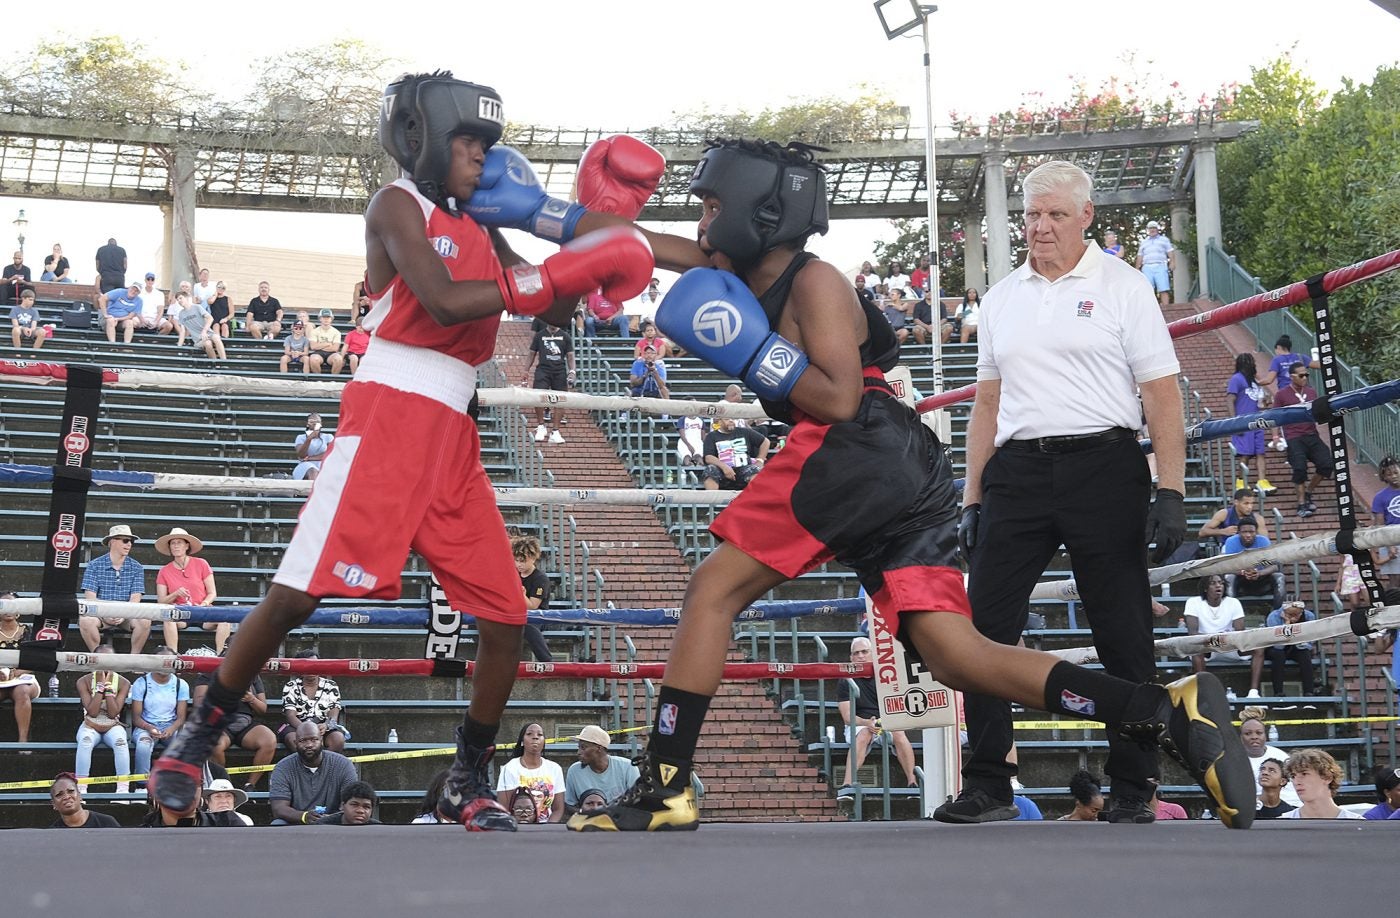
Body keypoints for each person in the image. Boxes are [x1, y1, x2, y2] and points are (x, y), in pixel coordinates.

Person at [564, 142, 1252, 832]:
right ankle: (1160, 710)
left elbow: (833, 398)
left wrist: (751, 352)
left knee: (712, 589)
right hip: (903, 467)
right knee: (958, 656)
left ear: (759, 211)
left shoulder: (816, 282)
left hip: (856, 444)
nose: (703, 222)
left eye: (714, 206)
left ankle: (665, 786)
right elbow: (640, 244)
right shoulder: (736, 267)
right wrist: (522, 213)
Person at [148, 74, 657, 834]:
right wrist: (556, 268)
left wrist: (597, 236)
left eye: (488, 146)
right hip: (389, 410)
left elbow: (549, 299)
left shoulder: (489, 225)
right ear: (419, 139)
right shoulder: (397, 206)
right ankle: (198, 731)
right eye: (467, 143)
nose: (482, 159)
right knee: (296, 596)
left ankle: (465, 776)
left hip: (454, 430)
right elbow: (448, 299)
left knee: (506, 613)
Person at [947, 159, 1194, 826]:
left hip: (1104, 464)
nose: (1041, 226)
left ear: (1087, 217)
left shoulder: (1124, 285)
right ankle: (990, 781)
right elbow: (986, 405)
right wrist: (972, 496)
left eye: (1055, 214)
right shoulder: (1000, 298)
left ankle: (1135, 785)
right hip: (1017, 473)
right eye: (1031, 215)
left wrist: (1169, 491)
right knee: (981, 628)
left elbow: (1161, 394)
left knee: (1122, 628)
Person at [835, 636, 917, 797]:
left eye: (864, 651)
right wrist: (868, 723)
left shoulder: (887, 676)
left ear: (874, 654)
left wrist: (885, 722)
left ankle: (912, 782)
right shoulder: (845, 680)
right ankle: (847, 784)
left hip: (886, 720)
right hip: (860, 723)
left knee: (899, 733)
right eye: (856, 653)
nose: (860, 656)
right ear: (851, 658)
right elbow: (847, 717)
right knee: (865, 733)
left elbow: (898, 705)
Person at [194, 642, 277, 794]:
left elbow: (263, 709)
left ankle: (250, 785)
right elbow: (200, 705)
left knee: (269, 740)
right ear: (226, 649)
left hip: (246, 723)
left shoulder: (252, 673)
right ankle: (225, 784)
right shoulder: (210, 670)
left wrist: (250, 698)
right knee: (214, 743)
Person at [1273, 361, 1333, 518]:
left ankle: (1308, 492)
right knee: (1299, 468)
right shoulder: (1281, 394)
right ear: (1292, 377)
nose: (1305, 378)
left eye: (1307, 374)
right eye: (1301, 375)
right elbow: (1275, 417)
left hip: (1311, 434)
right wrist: (1276, 436)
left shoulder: (1311, 392)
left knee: (1327, 463)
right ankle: (1301, 503)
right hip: (1294, 437)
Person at [268, 721, 360, 825]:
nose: (309, 745)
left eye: (314, 739)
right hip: (297, 822)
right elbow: (278, 808)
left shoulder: (344, 765)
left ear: (321, 740)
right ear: (295, 743)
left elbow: (351, 803)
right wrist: (304, 816)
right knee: (278, 823)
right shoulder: (282, 767)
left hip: (335, 823)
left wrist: (330, 819)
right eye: (303, 741)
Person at [153, 526, 228, 653]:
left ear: (187, 546)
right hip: (180, 613)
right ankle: (173, 656)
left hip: (203, 611)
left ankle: (221, 656)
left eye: (179, 543)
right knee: (168, 620)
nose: (176, 546)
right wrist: (175, 594)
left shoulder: (201, 563)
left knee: (225, 619)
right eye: (173, 543)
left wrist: (203, 604)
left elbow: (212, 592)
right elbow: (161, 601)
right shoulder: (164, 571)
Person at [79, 524, 152, 654]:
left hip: (127, 613)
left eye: (131, 541)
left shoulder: (137, 567)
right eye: (125, 540)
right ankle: (97, 659)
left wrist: (123, 614)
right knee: (85, 620)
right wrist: (105, 614)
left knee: (145, 620)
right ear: (112, 542)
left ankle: (133, 659)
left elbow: (135, 598)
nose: (129, 544)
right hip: (101, 613)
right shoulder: (94, 565)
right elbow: (90, 597)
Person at [74, 645, 133, 796]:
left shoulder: (123, 682)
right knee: (85, 741)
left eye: (109, 660)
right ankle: (81, 790)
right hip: (90, 724)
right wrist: (100, 689)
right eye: (101, 660)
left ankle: (122, 790)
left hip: (112, 724)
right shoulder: (83, 681)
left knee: (121, 741)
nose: (105, 664)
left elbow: (113, 713)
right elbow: (92, 712)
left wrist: (108, 691)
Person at [131, 646, 191, 782]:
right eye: (162, 661)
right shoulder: (142, 683)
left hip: (171, 726)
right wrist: (149, 728)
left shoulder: (181, 684)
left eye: (169, 661)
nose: (165, 665)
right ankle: (141, 785)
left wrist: (171, 729)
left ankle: (178, 784)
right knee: (143, 746)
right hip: (145, 726)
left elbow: (181, 717)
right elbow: (136, 717)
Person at [1225, 353, 1276, 495]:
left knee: (1260, 453)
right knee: (1245, 454)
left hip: (1257, 422)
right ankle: (1241, 482)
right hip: (1244, 422)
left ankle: (1262, 481)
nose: (1253, 365)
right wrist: (1234, 422)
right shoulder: (1236, 379)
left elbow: (1260, 401)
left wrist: (1266, 401)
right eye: (1251, 362)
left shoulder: (1254, 382)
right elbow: (1230, 400)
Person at [278, 650, 348, 753]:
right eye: (307, 666)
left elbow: (334, 712)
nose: (312, 669)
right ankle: (303, 768)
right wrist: (307, 730)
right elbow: (290, 715)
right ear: (300, 668)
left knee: (338, 739)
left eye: (315, 665)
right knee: (292, 739)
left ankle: (325, 767)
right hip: (298, 726)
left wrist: (326, 725)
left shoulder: (331, 685)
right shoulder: (291, 686)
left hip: (323, 726)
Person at [496, 722, 566, 823]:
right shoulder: (510, 768)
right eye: (529, 734)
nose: (535, 737)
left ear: (544, 742)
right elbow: (505, 808)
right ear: (522, 741)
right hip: (519, 826)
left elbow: (558, 809)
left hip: (546, 828)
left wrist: (549, 828)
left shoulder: (554, 768)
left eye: (540, 735)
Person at [1183, 574, 1249, 678]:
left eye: (1221, 583)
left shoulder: (1234, 602)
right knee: (1195, 648)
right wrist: (1215, 639)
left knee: (1259, 648)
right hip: (1206, 648)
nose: (1218, 586)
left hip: (1230, 645)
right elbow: (1192, 633)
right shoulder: (1193, 602)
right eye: (1213, 583)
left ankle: (1253, 691)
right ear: (1205, 588)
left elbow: (1240, 631)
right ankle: (1202, 689)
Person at [564, 724, 640, 810]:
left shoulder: (627, 767)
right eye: (579, 747)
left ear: (599, 748)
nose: (578, 752)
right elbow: (570, 805)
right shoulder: (574, 771)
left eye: (583, 747)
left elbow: (638, 800)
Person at [522, 319, 574, 444]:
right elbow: (531, 353)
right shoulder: (540, 335)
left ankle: (555, 431)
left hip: (559, 371)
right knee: (538, 397)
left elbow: (570, 356)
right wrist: (525, 371)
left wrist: (572, 371)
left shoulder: (565, 336)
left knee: (561, 400)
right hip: (543, 370)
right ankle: (541, 426)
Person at [1220, 516, 1285, 614]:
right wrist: (1243, 572)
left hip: (1260, 579)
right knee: (1229, 577)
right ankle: (1230, 615)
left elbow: (1274, 566)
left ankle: (1278, 614)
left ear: (1256, 532)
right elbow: (1227, 567)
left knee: (1279, 577)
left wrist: (1259, 573)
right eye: (1244, 532)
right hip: (1240, 581)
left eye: (1251, 532)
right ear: (1238, 532)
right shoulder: (1231, 542)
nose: (1248, 535)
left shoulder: (1263, 541)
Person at [1238, 706, 1300, 809]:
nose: (1254, 737)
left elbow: (1291, 793)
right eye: (1248, 733)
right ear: (1241, 738)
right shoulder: (1232, 760)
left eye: (1259, 733)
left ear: (1265, 735)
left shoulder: (1280, 757)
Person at [1280, 748, 1365, 819]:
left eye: (1304, 774)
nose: (1296, 782)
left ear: (1327, 777)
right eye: (1293, 776)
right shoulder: (1283, 823)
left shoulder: (1355, 823)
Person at [0, 605, 41, 748]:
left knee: (22, 691)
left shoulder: (29, 631)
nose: (8, 610)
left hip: (23, 676)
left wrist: (17, 672)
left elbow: (38, 660)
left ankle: (23, 740)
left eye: (12, 606)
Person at [1262, 597, 1317, 696]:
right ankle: (1278, 693)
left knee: (1304, 654)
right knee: (1279, 655)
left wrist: (1300, 643)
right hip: (1276, 647)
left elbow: (1310, 641)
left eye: (1297, 615)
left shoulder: (1309, 616)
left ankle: (1309, 692)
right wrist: (1287, 623)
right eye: (1290, 615)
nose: (1294, 618)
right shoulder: (1273, 617)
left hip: (1298, 646)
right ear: (1283, 611)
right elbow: (1277, 644)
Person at [512, 534, 554, 662]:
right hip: (515, 614)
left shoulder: (540, 579)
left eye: (522, 561)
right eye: (517, 560)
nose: (519, 564)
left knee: (527, 626)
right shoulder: (514, 575)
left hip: (537, 617)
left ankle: (547, 661)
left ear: (532, 559)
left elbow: (532, 606)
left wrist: (521, 595)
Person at [699, 416, 767, 491]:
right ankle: (713, 500)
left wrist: (760, 460)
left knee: (755, 470)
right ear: (719, 421)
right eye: (727, 419)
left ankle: (754, 501)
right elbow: (708, 457)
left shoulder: (745, 431)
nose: (731, 421)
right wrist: (725, 467)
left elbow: (765, 442)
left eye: (733, 419)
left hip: (744, 469)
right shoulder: (711, 436)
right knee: (710, 470)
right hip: (722, 472)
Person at [47, 773, 121, 828]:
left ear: (80, 796)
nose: (66, 797)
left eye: (71, 791)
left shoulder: (106, 823)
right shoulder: (52, 833)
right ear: (53, 804)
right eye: (59, 795)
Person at [1372, 456, 1400, 590]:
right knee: (1395, 582)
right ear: (1384, 476)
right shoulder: (1380, 497)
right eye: (1389, 474)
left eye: (1396, 472)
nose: (1394, 476)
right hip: (1391, 539)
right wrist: (1389, 546)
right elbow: (1380, 524)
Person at [175, 290, 227, 360]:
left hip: (208, 333)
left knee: (216, 338)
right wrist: (179, 346)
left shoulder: (197, 307)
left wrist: (204, 331)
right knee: (208, 343)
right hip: (198, 340)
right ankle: (215, 363)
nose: (179, 301)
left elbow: (210, 318)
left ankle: (224, 361)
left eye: (180, 298)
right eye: (177, 299)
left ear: (186, 298)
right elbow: (182, 331)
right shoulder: (181, 314)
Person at [1134, 220, 1173, 307]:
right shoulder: (1144, 242)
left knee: (1163, 288)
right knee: (1148, 289)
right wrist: (1137, 268)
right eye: (1150, 228)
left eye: (1154, 228)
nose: (1152, 230)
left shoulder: (1164, 240)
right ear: (1148, 230)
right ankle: (1151, 308)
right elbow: (1140, 256)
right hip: (1147, 267)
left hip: (1161, 265)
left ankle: (1166, 308)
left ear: (1157, 229)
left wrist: (1172, 262)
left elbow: (1170, 252)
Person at [317, 781, 381, 825]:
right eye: (354, 805)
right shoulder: (322, 826)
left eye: (366, 807)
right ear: (342, 806)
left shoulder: (379, 829)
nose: (360, 811)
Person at [292, 412, 333, 481]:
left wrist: (309, 458)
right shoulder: (301, 437)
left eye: (317, 421)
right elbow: (301, 455)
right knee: (313, 471)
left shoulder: (328, 437)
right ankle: (313, 491)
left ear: (321, 424)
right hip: (305, 465)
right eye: (312, 421)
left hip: (322, 463)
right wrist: (309, 439)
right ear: (307, 424)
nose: (315, 424)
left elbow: (331, 453)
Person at [307, 308, 345, 374]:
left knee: (338, 359)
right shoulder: (314, 331)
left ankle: (334, 379)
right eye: (324, 317)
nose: (326, 319)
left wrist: (319, 345)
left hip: (331, 353)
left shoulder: (336, 332)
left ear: (331, 319)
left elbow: (335, 348)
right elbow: (313, 347)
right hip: (318, 353)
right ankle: (318, 379)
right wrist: (327, 344)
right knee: (313, 359)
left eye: (328, 317)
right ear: (320, 319)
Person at [341, 310, 372, 374]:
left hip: (363, 352)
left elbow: (370, 346)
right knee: (354, 358)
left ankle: (361, 375)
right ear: (356, 326)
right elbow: (345, 346)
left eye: (363, 328)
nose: (362, 329)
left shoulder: (368, 334)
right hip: (352, 352)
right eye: (360, 327)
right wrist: (342, 357)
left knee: (363, 360)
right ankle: (354, 375)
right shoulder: (351, 334)